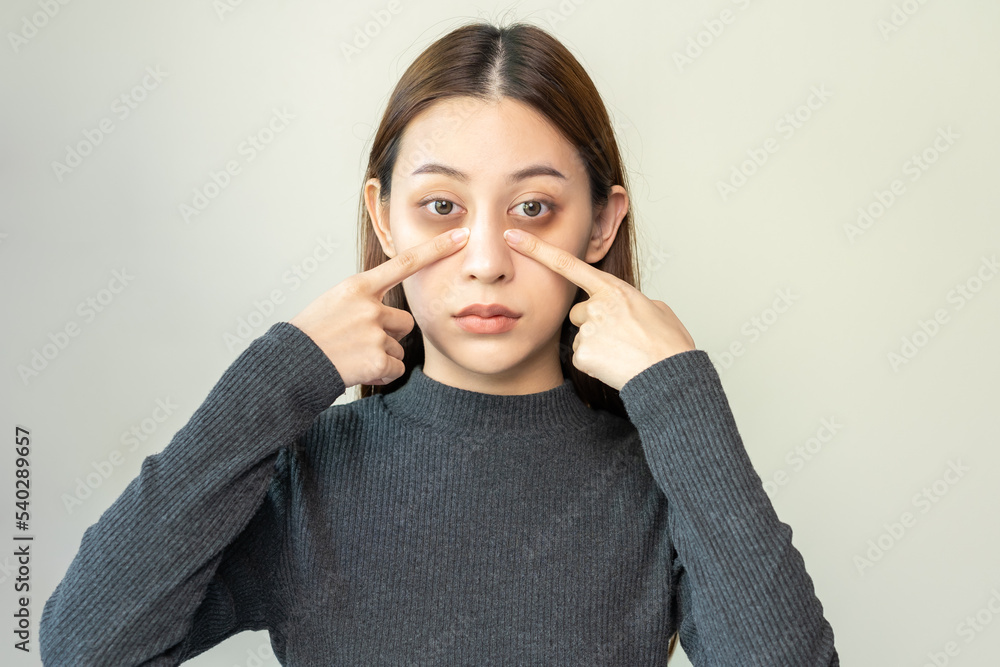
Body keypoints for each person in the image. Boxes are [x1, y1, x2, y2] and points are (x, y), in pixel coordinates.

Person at [39, 19, 840, 665]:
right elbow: (84, 646)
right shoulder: (309, 470)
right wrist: (280, 372)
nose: (486, 262)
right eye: (442, 208)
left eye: (532, 208)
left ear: (600, 223)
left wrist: (680, 393)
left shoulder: (662, 472)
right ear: (385, 218)